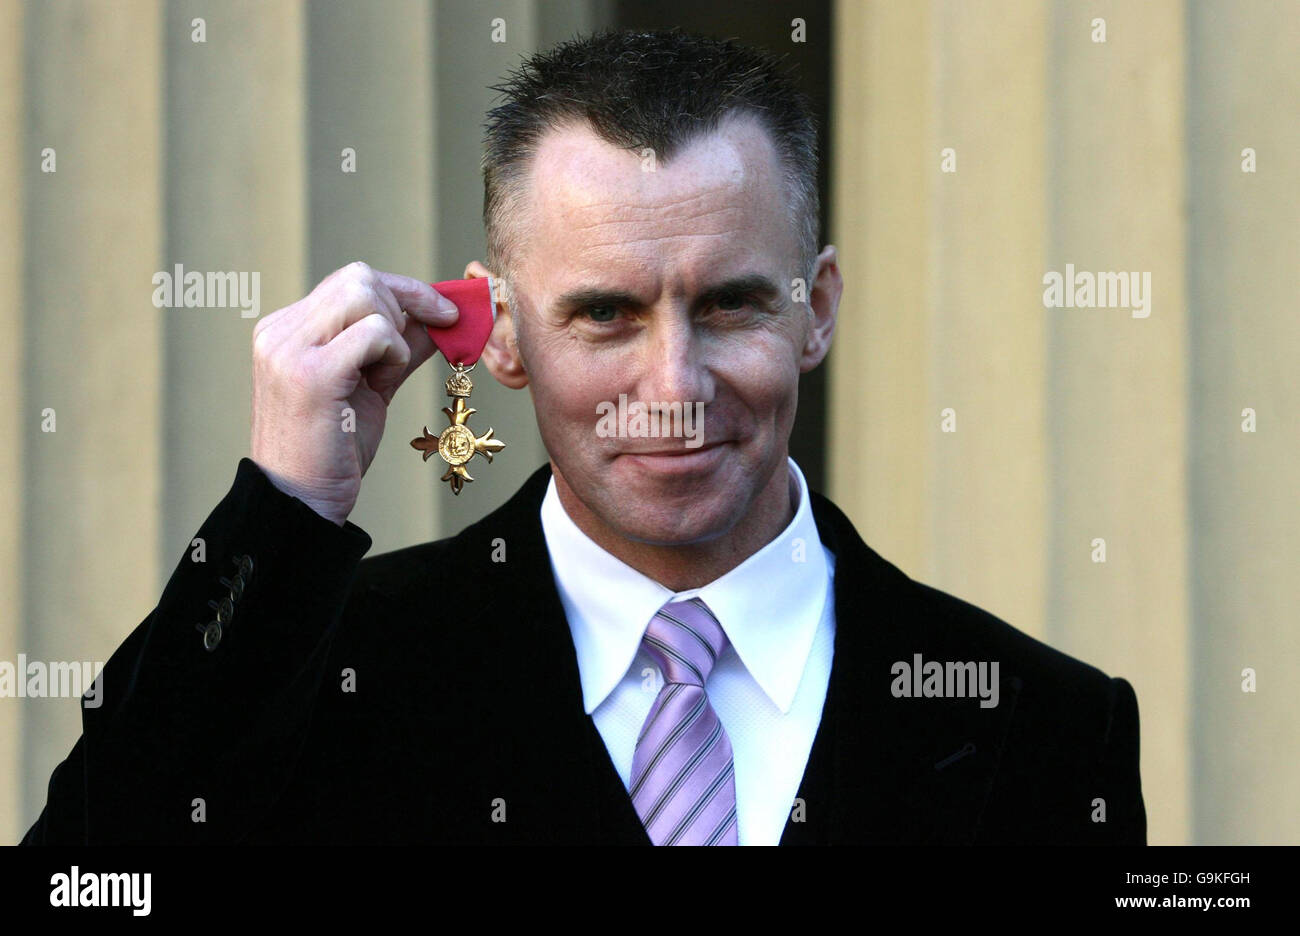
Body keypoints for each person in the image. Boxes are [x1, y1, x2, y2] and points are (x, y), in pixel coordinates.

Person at [22, 28, 1144, 845]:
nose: (673, 383)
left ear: (820, 306)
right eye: (605, 313)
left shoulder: (1045, 723)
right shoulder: (334, 672)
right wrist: (279, 512)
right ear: (500, 334)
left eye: (731, 304)